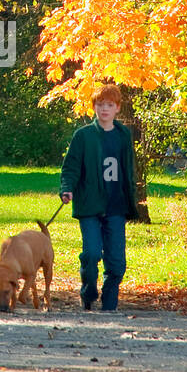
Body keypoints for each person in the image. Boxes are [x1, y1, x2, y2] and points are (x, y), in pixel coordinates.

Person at [59, 83, 138, 311]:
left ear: (117, 108)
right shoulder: (83, 136)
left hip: (116, 205)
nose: (105, 109)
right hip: (90, 205)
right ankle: (88, 290)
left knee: (117, 263)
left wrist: (130, 197)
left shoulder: (123, 135)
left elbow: (128, 168)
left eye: (110, 105)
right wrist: (67, 188)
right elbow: (70, 167)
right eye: (100, 105)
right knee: (92, 253)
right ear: (93, 107)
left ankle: (110, 304)